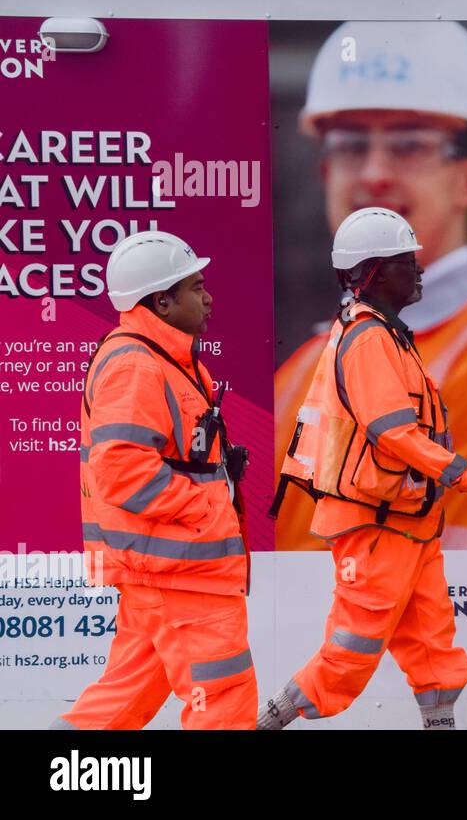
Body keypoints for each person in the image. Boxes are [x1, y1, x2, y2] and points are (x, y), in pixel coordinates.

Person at [273, 20, 467, 551]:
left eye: (409, 146)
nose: (374, 173)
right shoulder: (304, 367)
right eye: (352, 146)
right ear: (325, 172)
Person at [260, 208, 467, 730]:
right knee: (351, 652)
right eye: (406, 261)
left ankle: (439, 724)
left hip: (406, 522)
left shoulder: (387, 335)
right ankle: (264, 723)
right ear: (373, 272)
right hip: (375, 525)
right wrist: (466, 473)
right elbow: (392, 432)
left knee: (432, 645)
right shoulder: (370, 339)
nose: (419, 270)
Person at [53, 231, 256, 730]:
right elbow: (121, 469)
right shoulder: (138, 364)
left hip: (166, 571)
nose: (208, 298)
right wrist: (207, 511)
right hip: (180, 573)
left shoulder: (163, 360)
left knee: (120, 699)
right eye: (196, 286)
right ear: (162, 301)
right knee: (223, 700)